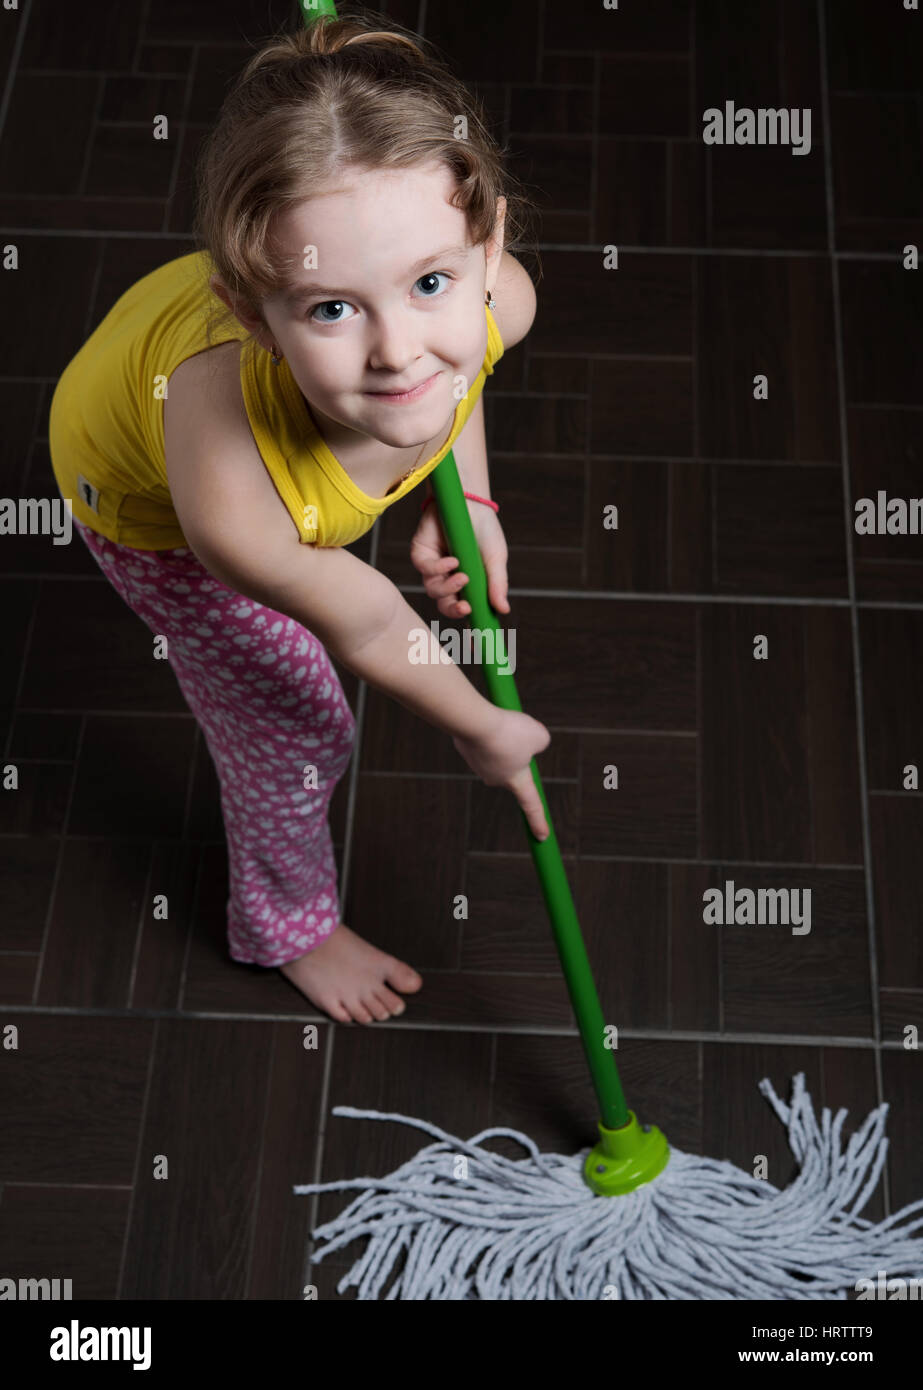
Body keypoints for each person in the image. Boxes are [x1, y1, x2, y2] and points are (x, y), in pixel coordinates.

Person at [48, 9, 550, 1025]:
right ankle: (288, 924)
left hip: (272, 453)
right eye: (331, 307)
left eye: (429, 282)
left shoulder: (500, 303)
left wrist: (473, 502)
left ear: (488, 246)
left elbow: (462, 377)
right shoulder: (230, 504)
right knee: (295, 721)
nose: (399, 350)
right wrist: (480, 727)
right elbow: (366, 623)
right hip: (142, 504)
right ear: (249, 310)